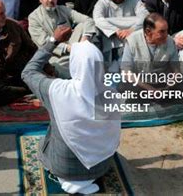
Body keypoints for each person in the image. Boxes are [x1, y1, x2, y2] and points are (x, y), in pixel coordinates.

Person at [21, 28, 121, 195]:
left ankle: (71, 182)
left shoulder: (57, 91)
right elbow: (87, 77)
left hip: (64, 168)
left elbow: (28, 72)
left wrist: (53, 41)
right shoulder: (112, 93)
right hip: (101, 166)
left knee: (45, 141)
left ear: (75, 62)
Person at [28, 0, 95, 75]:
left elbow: (88, 20)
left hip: (72, 46)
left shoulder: (63, 9)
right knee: (58, 67)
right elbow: (43, 42)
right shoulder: (34, 17)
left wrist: (84, 40)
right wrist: (68, 48)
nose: (51, 0)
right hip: (53, 54)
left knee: (83, 26)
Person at [93, 0, 149, 68]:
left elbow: (146, 15)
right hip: (110, 42)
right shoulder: (102, 2)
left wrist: (131, 30)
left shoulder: (133, 0)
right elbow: (98, 19)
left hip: (131, 40)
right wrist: (116, 30)